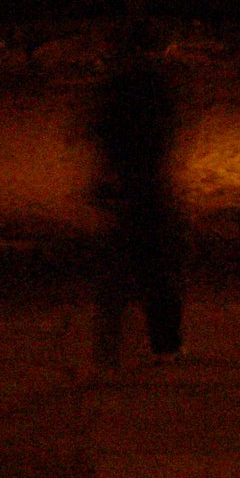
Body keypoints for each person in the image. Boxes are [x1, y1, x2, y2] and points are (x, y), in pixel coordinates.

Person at [91, 37, 185, 367]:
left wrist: (103, 176)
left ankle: (109, 347)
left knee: (122, 267)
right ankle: (165, 344)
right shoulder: (158, 89)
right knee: (157, 269)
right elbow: (171, 132)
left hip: (127, 185)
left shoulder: (115, 91)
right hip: (151, 185)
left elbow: (101, 134)